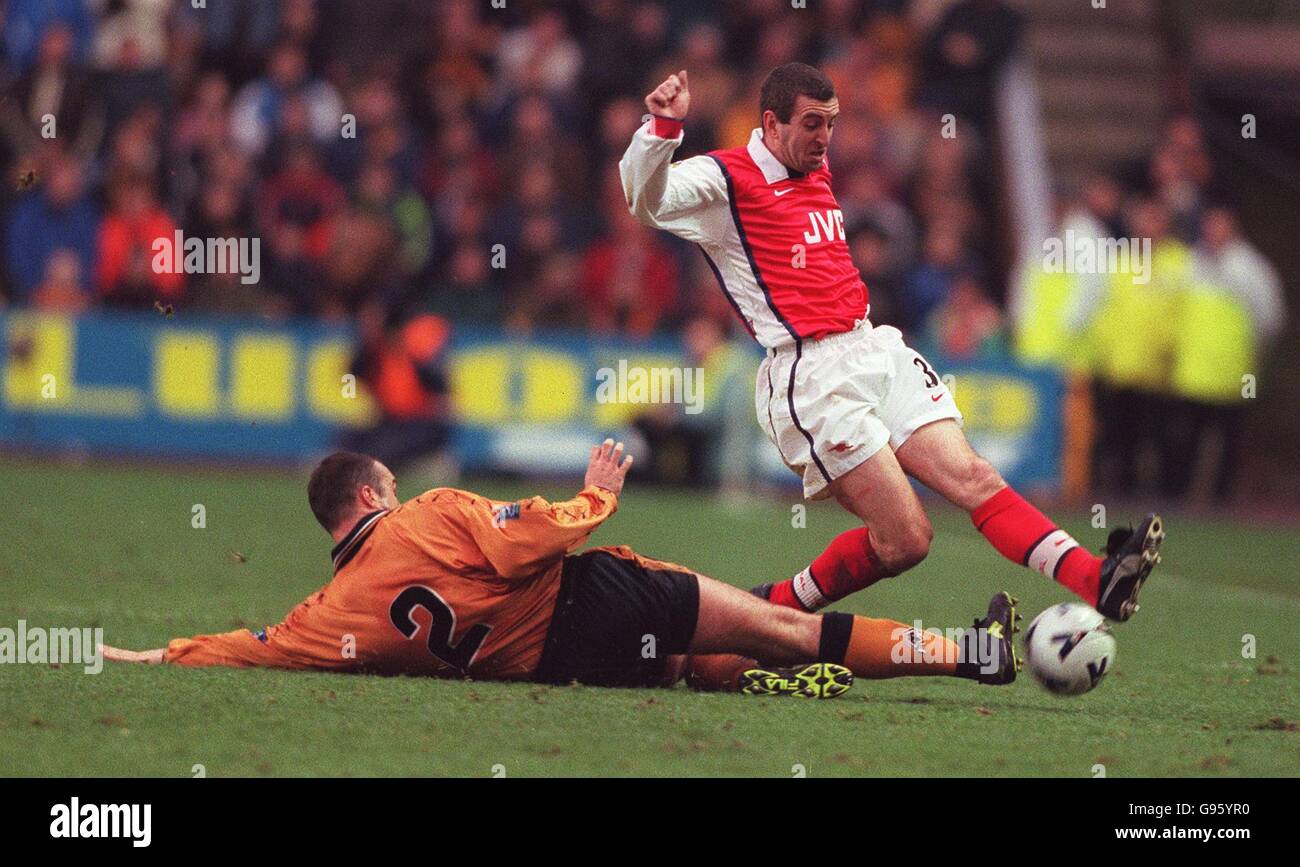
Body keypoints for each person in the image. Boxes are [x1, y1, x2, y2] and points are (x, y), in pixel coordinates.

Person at [619, 62, 1163, 621]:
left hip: (873, 348)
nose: (824, 138)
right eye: (811, 124)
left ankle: (1096, 581)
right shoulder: (726, 178)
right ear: (771, 124)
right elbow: (647, 200)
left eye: (830, 123)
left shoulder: (815, 165)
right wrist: (662, 129)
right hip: (811, 377)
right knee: (907, 540)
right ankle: (770, 614)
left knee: (975, 478)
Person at [101, 440, 1022, 699]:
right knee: (773, 624)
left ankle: (776, 679)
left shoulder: (329, 613)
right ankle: (970, 653)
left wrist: (163, 654)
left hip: (556, 663)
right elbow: (524, 541)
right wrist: (593, 497)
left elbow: (248, 647)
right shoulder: (425, 514)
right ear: (376, 486)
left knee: (691, 664)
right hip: (589, 594)